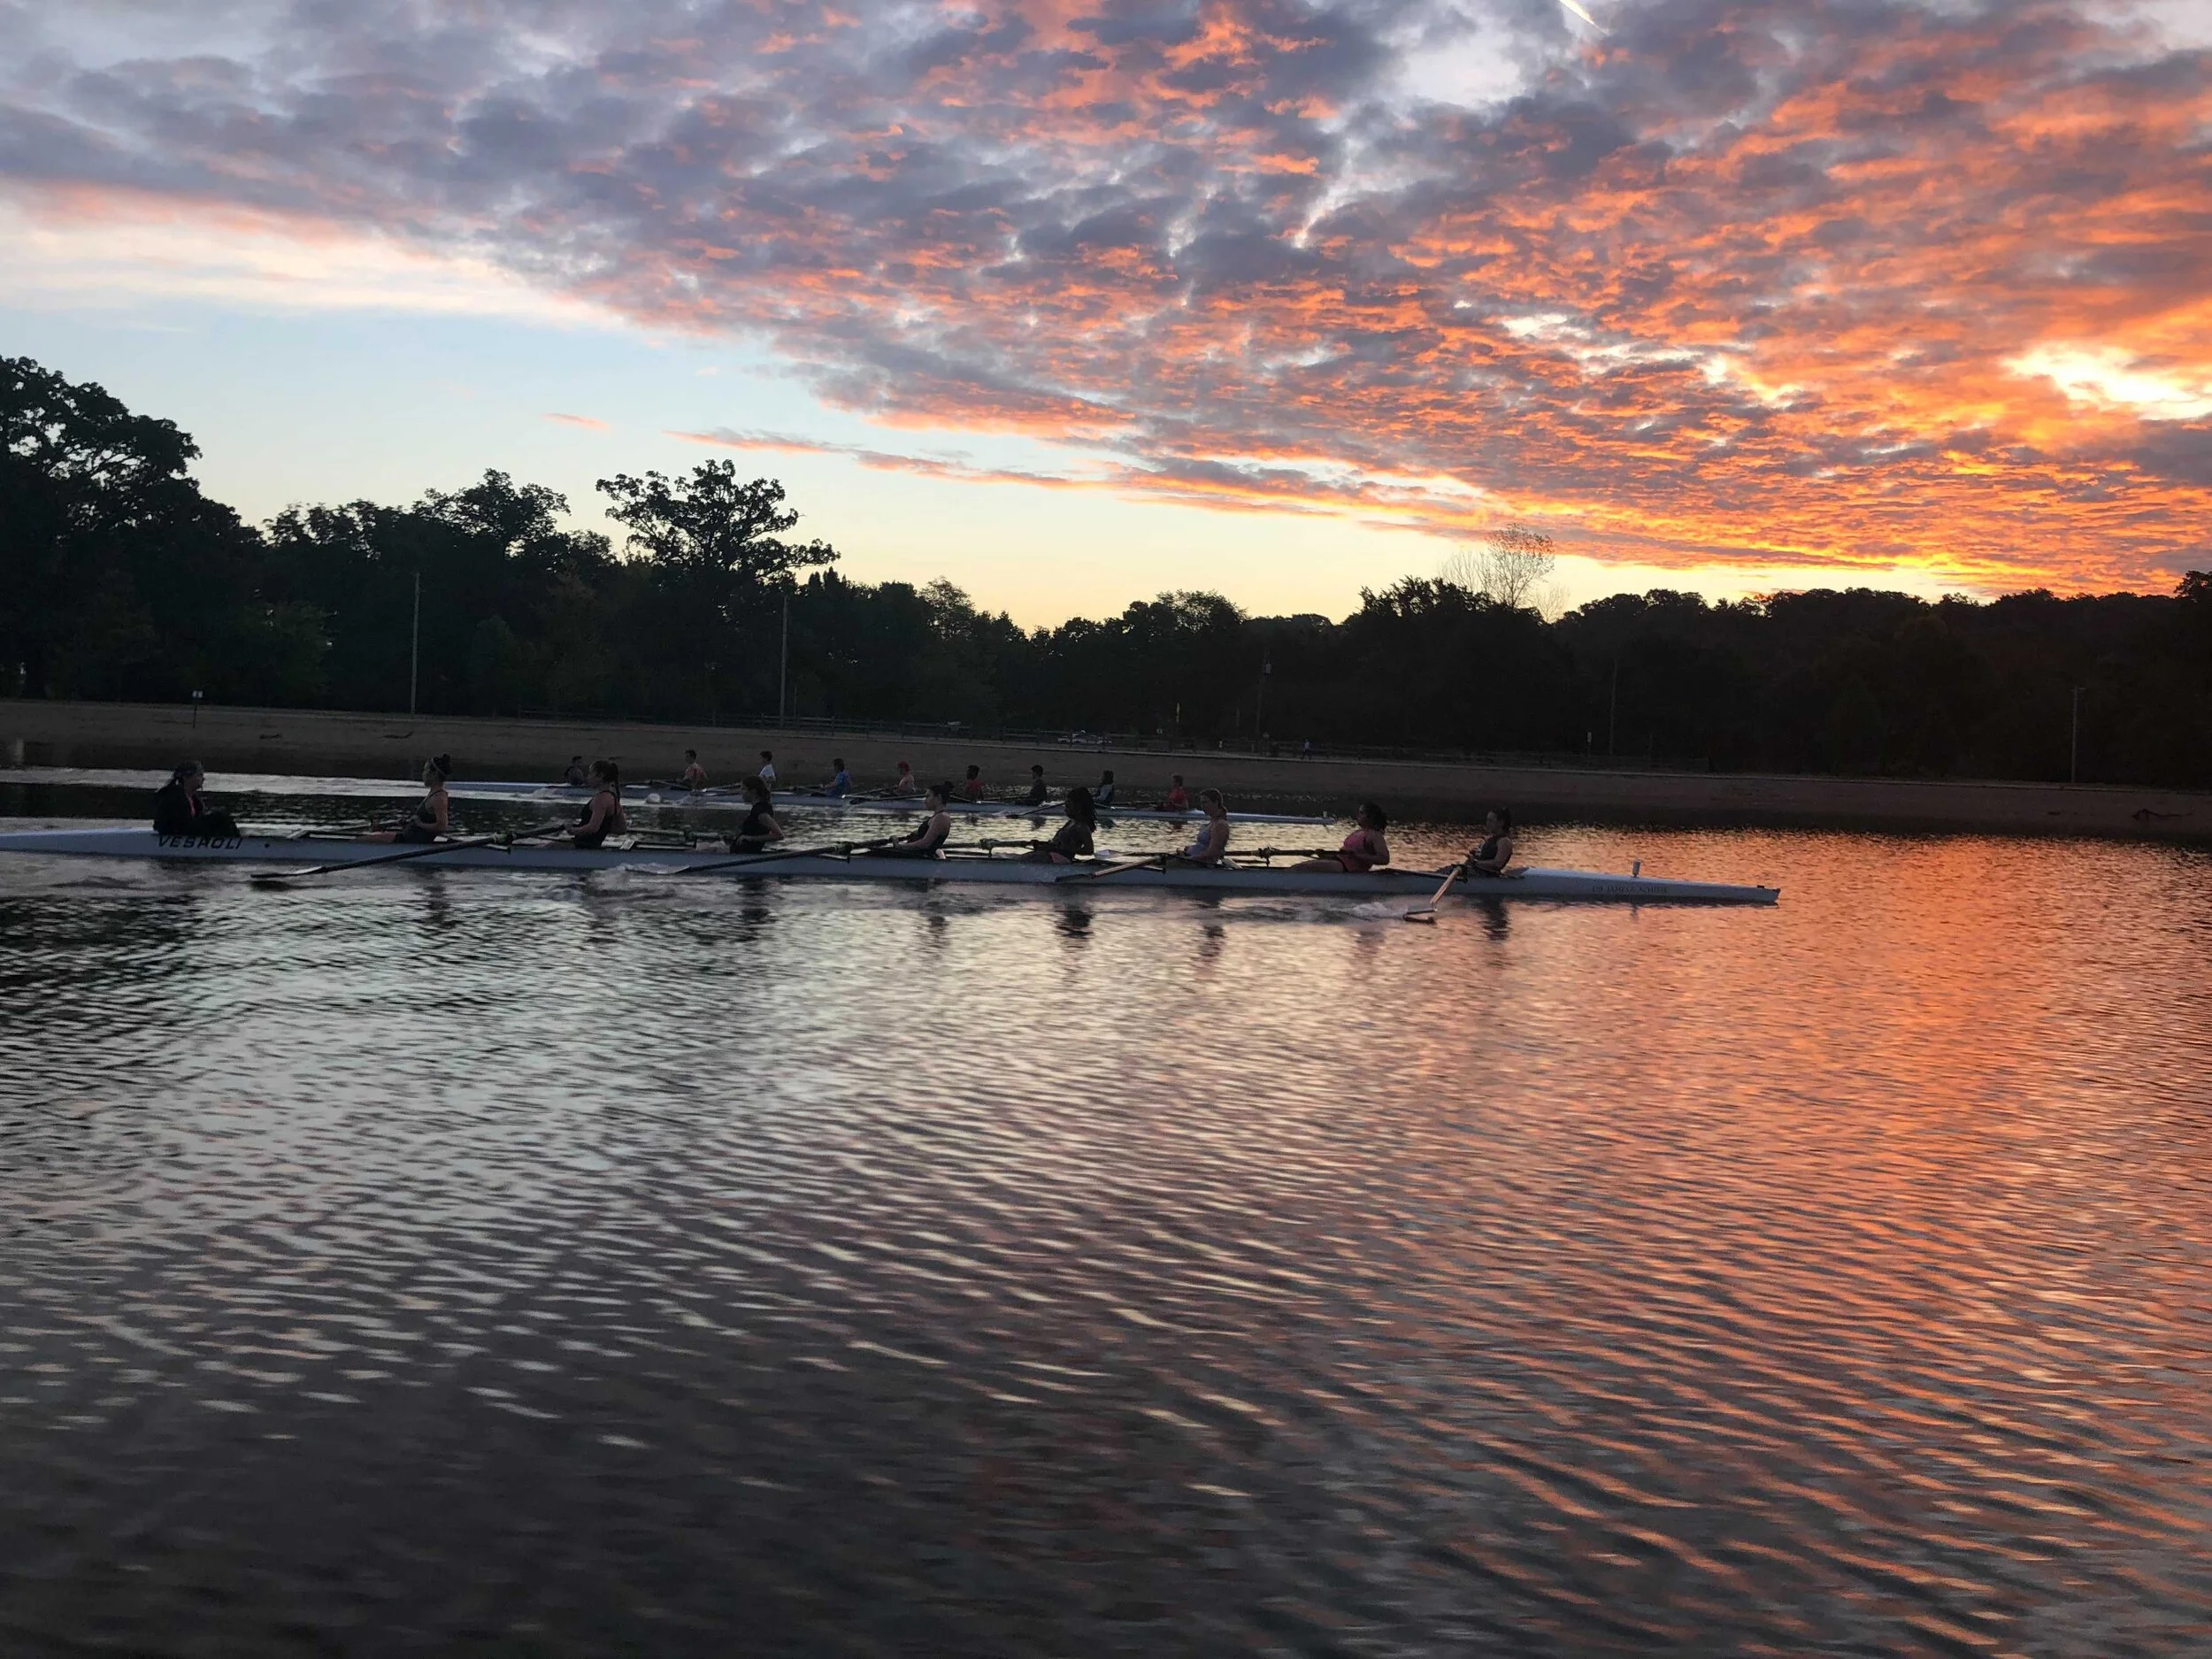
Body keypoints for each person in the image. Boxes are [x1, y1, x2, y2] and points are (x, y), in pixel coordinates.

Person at [365, 755, 453, 844]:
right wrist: (408, 824)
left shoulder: (439, 798)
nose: (423, 774)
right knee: (370, 837)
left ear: (434, 774)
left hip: (412, 842)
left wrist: (420, 824)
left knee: (362, 840)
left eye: (425, 770)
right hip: (408, 837)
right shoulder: (433, 794)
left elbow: (442, 827)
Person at [152, 760, 242, 839]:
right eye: (199, 775)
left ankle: (235, 839)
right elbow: (171, 825)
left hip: (186, 831)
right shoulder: (174, 797)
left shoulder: (194, 800)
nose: (203, 779)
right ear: (186, 777)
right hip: (178, 833)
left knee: (221, 815)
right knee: (220, 817)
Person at [1292, 803, 1390, 873]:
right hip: (1338, 862)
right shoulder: (1358, 832)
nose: (1357, 816)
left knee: (1301, 868)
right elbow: (1343, 855)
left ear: (1370, 816)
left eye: (1361, 813)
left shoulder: (1375, 835)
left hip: (1347, 868)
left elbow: (1384, 859)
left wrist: (1358, 856)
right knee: (1298, 867)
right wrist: (1324, 855)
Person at [870, 785, 955, 858]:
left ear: (939, 797)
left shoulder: (941, 817)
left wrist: (900, 846)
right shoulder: (938, 816)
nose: (925, 801)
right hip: (915, 854)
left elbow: (925, 844)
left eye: (928, 797)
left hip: (919, 857)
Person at [1022, 786, 1095, 864]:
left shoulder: (1082, 826)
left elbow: (1089, 850)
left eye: (1068, 806)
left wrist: (1066, 848)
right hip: (1052, 855)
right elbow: (1056, 844)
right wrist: (1042, 844)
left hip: (1060, 859)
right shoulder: (1070, 822)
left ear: (1078, 807)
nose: (1065, 810)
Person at [566, 760, 628, 850]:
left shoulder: (601, 799)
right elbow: (622, 829)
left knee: (549, 846)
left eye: (590, 774)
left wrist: (573, 830)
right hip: (593, 845)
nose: (588, 777)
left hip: (584, 846)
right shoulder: (613, 797)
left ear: (600, 776)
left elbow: (593, 828)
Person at [1170, 789, 1231, 866]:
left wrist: (1189, 859)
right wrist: (1189, 849)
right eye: (1201, 803)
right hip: (1195, 861)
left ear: (1216, 802)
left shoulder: (1220, 825)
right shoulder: (1212, 823)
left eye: (1205, 802)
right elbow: (1203, 846)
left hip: (1203, 865)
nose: (1202, 806)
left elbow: (1212, 853)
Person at [726, 776, 784, 853]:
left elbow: (779, 835)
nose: (741, 792)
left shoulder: (760, 812)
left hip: (743, 852)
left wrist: (750, 838)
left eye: (743, 789)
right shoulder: (759, 808)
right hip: (739, 849)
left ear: (753, 791)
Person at [1463, 808, 1516, 877]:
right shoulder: (1488, 839)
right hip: (1475, 872)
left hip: (1488, 876)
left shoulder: (1504, 841)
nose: (1487, 823)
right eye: (1487, 820)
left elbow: (1497, 864)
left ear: (1501, 823)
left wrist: (1475, 862)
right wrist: (1474, 855)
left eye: (1490, 821)